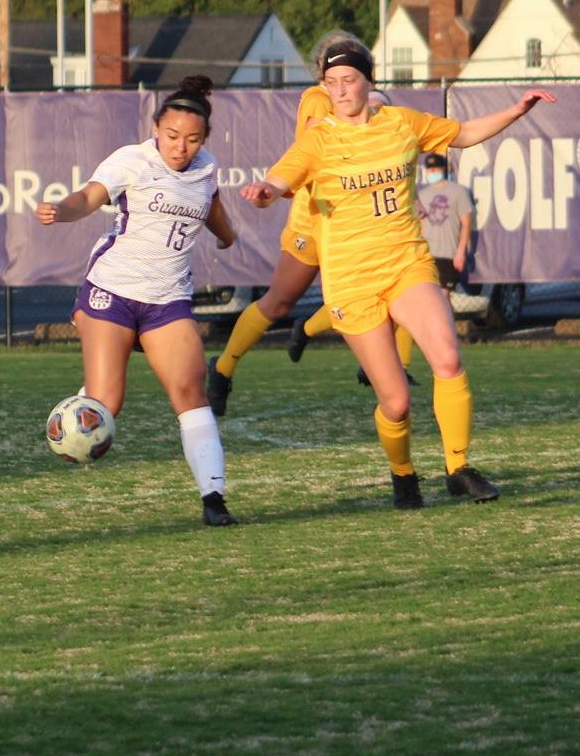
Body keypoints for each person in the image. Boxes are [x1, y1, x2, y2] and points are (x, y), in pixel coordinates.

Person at [240, 37, 553, 510]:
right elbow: (278, 182)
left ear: (368, 80)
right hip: (352, 281)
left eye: (349, 80)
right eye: (331, 82)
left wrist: (517, 110)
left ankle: (458, 467)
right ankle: (403, 473)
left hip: (406, 263)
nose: (341, 91)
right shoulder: (319, 139)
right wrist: (263, 192)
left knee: (447, 359)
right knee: (397, 403)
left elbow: (464, 133)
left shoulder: (401, 123)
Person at [37, 75, 241, 527]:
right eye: (171, 136)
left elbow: (211, 205)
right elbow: (90, 196)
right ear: (155, 130)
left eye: (191, 139)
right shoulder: (133, 160)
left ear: (204, 139)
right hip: (112, 291)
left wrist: (228, 236)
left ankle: (214, 499)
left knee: (191, 393)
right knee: (108, 401)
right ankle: (72, 418)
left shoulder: (206, 168)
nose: (180, 147)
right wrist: (61, 210)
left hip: (167, 300)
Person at [206, 32, 411, 417]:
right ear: (323, 69)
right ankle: (222, 368)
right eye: (336, 62)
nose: (343, 72)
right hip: (317, 220)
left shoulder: (368, 101)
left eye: (351, 62)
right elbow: (317, 139)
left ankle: (385, 368)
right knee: (278, 301)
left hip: (357, 222)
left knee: (392, 290)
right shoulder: (321, 98)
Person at [415, 152, 475, 299]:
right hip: (429, 253)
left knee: (443, 297)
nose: (432, 172)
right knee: (429, 298)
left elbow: (466, 223)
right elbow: (422, 224)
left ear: (443, 169)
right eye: (430, 169)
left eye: (435, 169)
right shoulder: (423, 194)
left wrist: (460, 252)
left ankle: (447, 322)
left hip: (449, 253)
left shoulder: (458, 192)